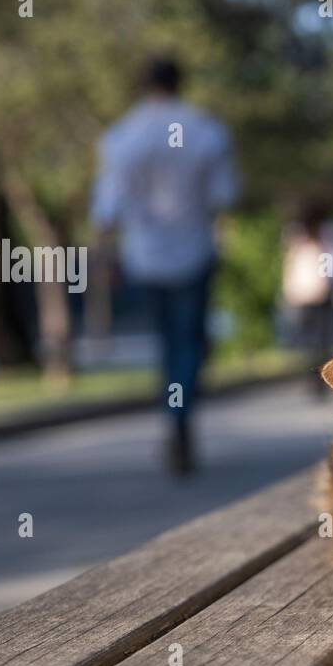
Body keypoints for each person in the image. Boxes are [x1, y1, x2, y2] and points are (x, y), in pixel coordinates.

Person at [91, 55, 239, 475]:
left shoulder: (122, 137)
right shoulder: (207, 132)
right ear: (181, 81)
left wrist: (103, 256)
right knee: (188, 343)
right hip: (193, 252)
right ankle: (181, 416)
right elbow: (223, 198)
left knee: (166, 343)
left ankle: (175, 416)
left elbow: (107, 206)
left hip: (145, 256)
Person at [280, 201, 333, 396]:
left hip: (312, 295)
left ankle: (317, 378)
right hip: (313, 295)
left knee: (317, 340)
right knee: (316, 340)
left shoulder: (323, 235)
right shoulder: (304, 236)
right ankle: (316, 378)